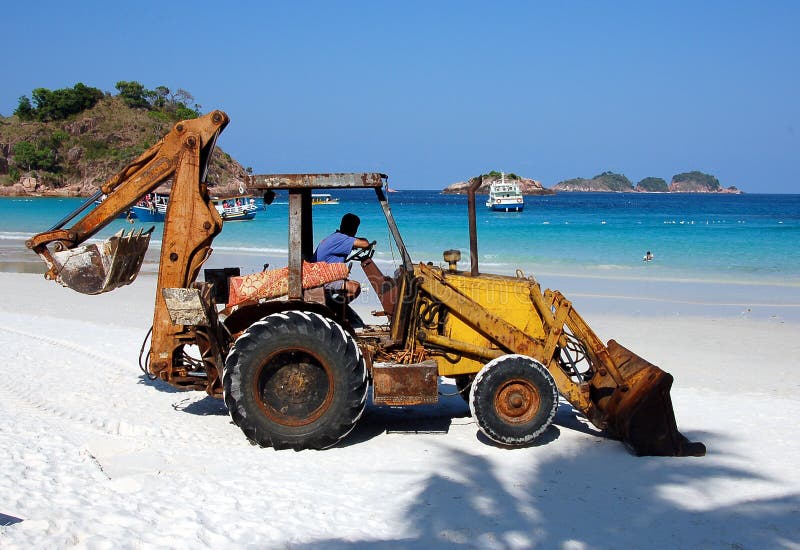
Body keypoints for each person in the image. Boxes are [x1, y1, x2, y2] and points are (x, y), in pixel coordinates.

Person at [312, 213, 371, 302]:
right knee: (355, 288)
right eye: (353, 228)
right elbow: (365, 243)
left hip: (322, 276)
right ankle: (336, 310)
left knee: (354, 283)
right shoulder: (340, 238)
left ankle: (335, 305)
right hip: (322, 279)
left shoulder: (337, 237)